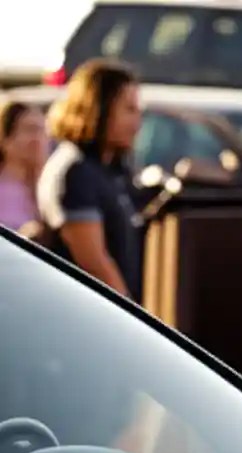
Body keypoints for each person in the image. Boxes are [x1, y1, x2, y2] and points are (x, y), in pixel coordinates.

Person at [37, 59, 143, 299]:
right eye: (128, 110)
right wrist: (131, 320)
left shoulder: (113, 169)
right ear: (98, 108)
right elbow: (95, 263)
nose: (137, 123)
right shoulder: (75, 172)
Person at [0, 100, 48, 236]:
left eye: (42, 130)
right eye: (30, 130)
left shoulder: (47, 187)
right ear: (6, 138)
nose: (38, 138)